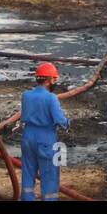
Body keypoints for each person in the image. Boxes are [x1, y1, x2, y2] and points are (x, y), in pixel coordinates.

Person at [20, 62, 69, 201]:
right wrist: (67, 123)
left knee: (28, 173)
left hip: (28, 136)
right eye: (54, 80)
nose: (55, 83)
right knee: (49, 175)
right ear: (48, 81)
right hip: (46, 138)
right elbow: (60, 119)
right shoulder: (51, 98)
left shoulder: (26, 95)